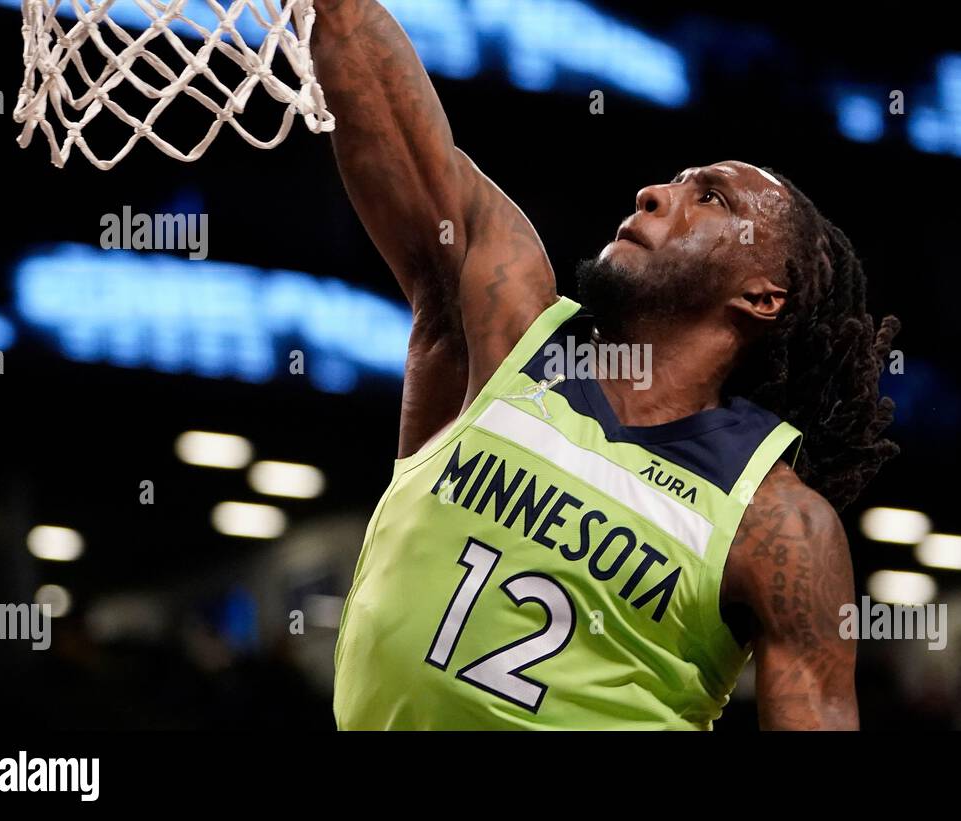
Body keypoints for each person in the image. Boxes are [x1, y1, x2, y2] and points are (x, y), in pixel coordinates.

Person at [313, 0, 899, 729]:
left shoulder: (779, 526)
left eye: (708, 197)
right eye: (674, 181)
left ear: (763, 294)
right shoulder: (508, 335)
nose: (655, 193)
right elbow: (404, 137)